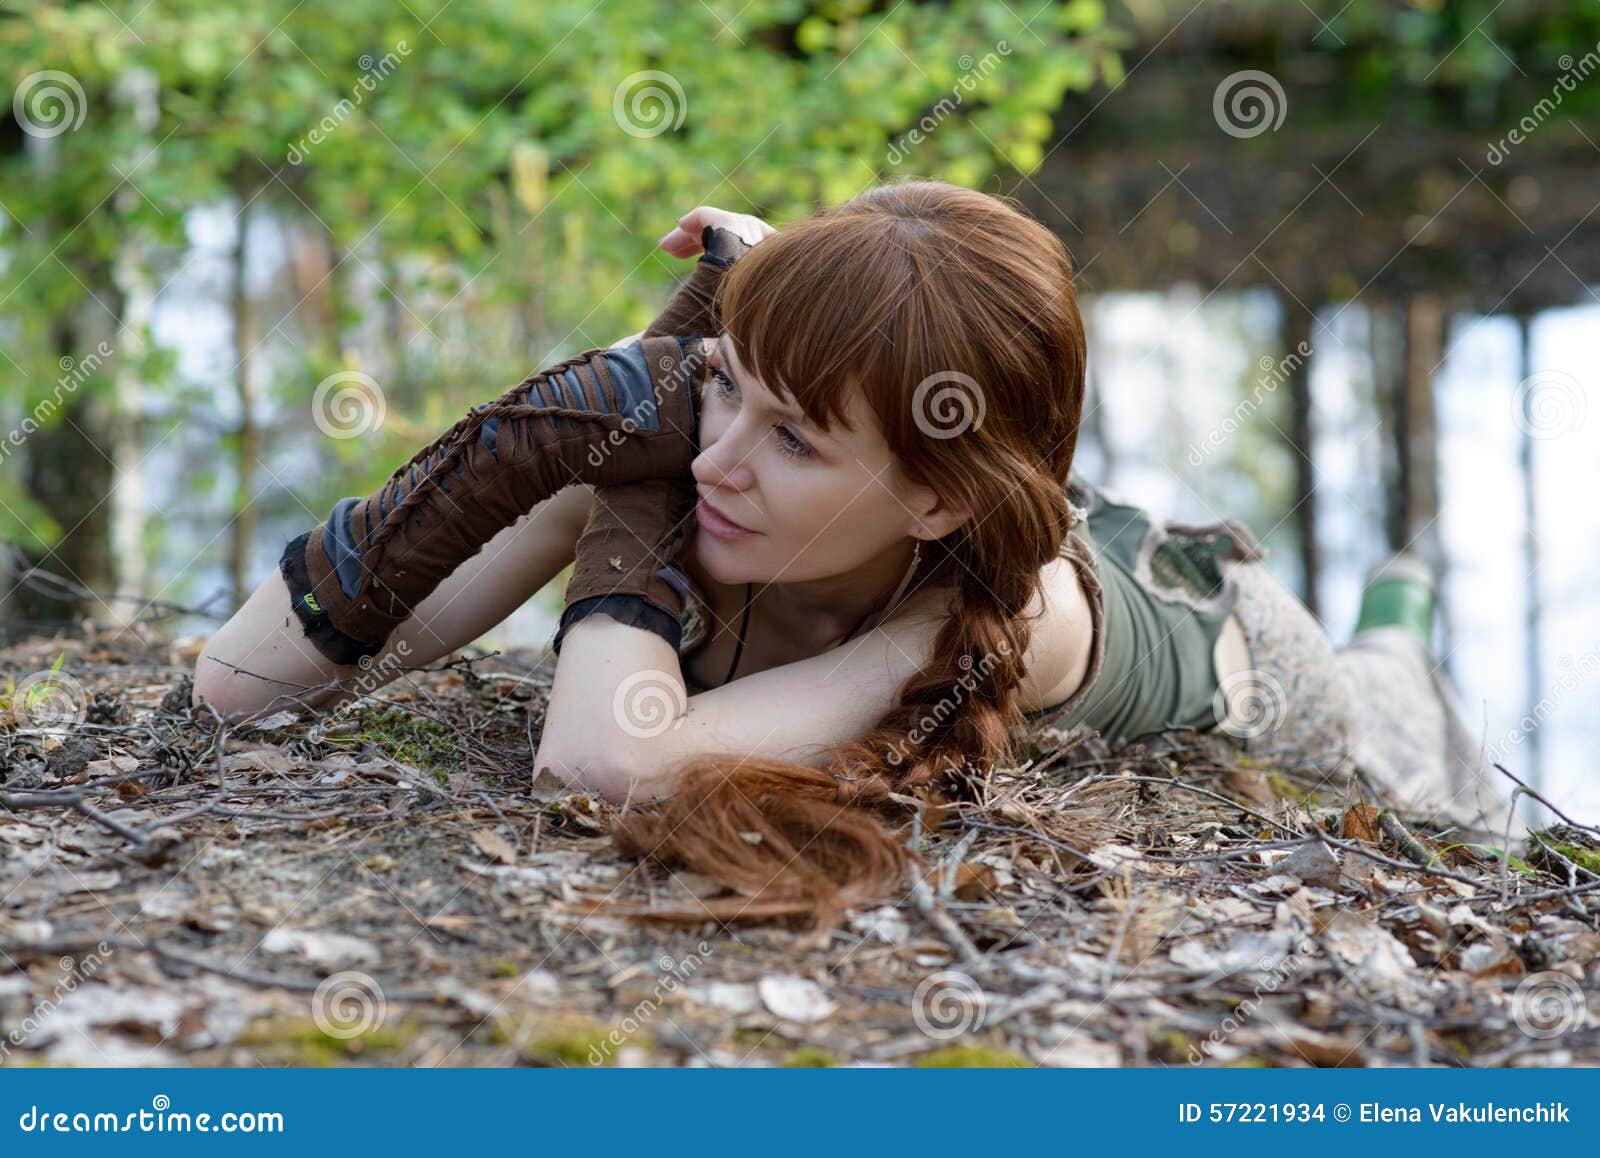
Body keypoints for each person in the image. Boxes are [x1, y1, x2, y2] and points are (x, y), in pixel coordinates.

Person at [192, 180, 1507, 936]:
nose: (717, 460)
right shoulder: (717, 454)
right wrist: (551, 433)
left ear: (929, 500)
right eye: (720, 388)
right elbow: (237, 690)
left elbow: (600, 764)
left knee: (1395, 704)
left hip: (1220, 624)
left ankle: (1399, 604)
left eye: (798, 440)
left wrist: (630, 490)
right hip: (978, 473)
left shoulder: (973, 622)